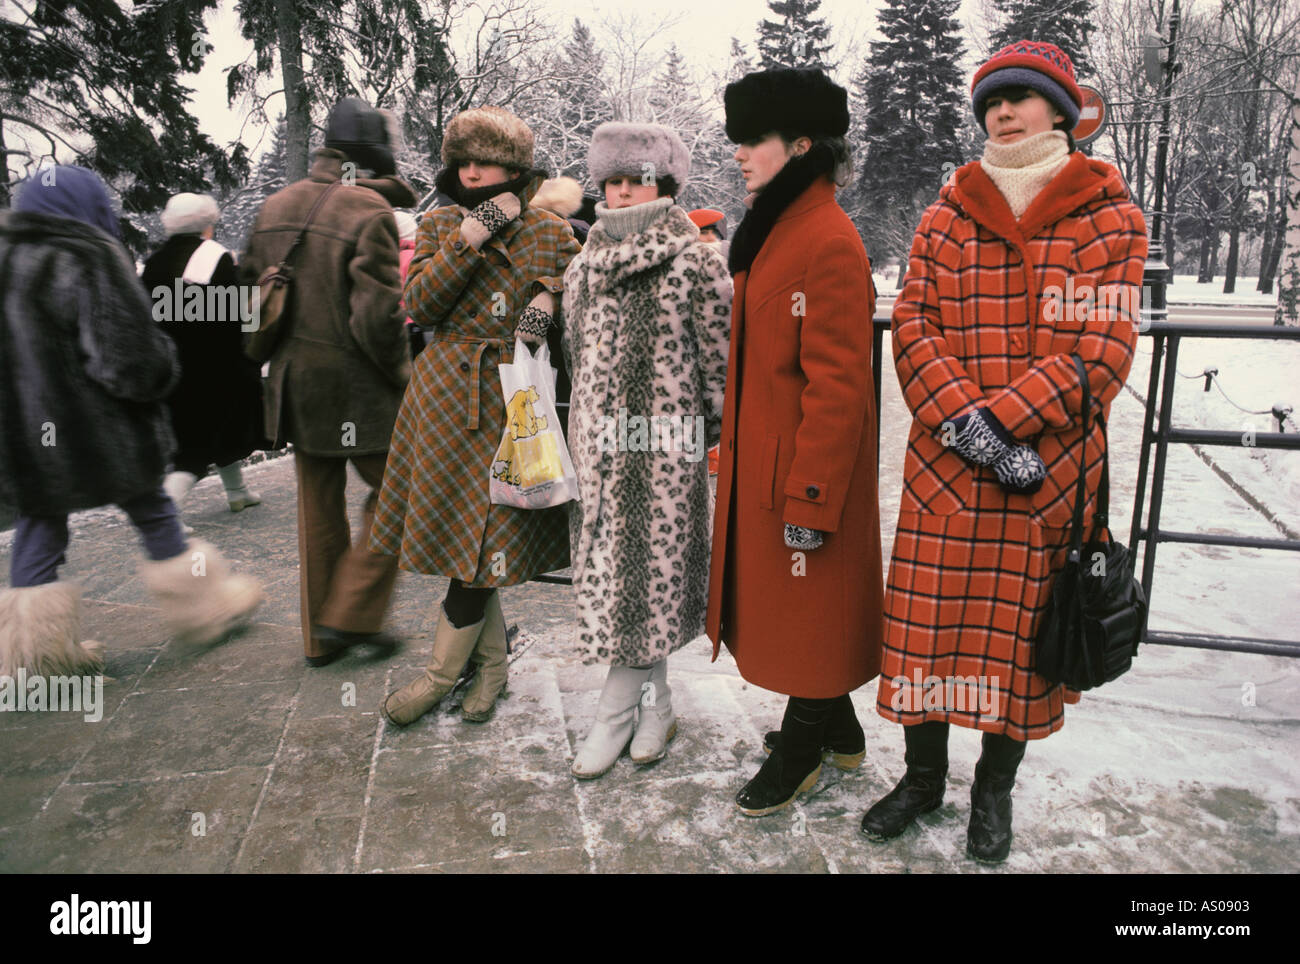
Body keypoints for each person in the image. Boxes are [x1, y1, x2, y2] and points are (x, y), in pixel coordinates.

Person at [865, 40, 1148, 863]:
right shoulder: (948, 209)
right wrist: (970, 426)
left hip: (1049, 475)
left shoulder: (1109, 216)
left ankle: (994, 792)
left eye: (1021, 95)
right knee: (930, 634)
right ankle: (922, 782)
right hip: (950, 467)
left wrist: (1013, 421)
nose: (1002, 110)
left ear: (1061, 109)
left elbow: (1102, 350)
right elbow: (914, 326)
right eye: (991, 98)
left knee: (1017, 649)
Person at [705, 68, 886, 816]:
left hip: (807, 481)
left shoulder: (826, 241)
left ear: (802, 144)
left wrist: (810, 497)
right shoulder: (781, 227)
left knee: (812, 619)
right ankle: (838, 733)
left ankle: (805, 746)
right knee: (799, 619)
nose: (740, 153)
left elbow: (840, 390)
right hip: (770, 471)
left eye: (754, 140)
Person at [0, 167, 262, 676]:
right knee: (152, 509)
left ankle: (34, 657)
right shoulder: (89, 254)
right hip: (100, 431)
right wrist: (161, 369)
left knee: (39, 523)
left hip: (23, 436)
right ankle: (206, 609)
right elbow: (127, 359)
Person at [371, 105, 580, 726]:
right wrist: (473, 235)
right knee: (466, 538)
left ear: (513, 168)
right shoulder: (439, 225)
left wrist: (551, 299)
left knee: (483, 535)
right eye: (462, 162)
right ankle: (488, 668)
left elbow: (575, 300)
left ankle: (442, 677)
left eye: (485, 163)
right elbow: (423, 304)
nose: (472, 174)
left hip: (513, 396)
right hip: (442, 397)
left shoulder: (548, 229)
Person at [561, 123, 732, 778]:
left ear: (664, 184)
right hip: (596, 454)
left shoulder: (694, 259)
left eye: (638, 178)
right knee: (622, 591)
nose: (625, 190)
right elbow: (577, 359)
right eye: (614, 179)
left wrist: (699, 438)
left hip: (661, 458)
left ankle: (611, 717)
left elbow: (718, 364)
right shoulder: (583, 267)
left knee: (642, 589)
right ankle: (656, 709)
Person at [239, 96, 416, 668]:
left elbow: (247, 304)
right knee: (398, 497)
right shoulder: (368, 211)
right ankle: (353, 614)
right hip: (357, 390)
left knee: (317, 507)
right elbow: (376, 318)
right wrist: (404, 377)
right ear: (374, 157)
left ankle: (320, 640)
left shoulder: (273, 206)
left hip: (295, 386)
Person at [142, 193, 265, 521]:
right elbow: (238, 317)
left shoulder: (154, 262)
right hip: (217, 367)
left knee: (209, 433)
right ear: (207, 224)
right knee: (196, 449)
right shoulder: (216, 257)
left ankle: (237, 492)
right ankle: (165, 517)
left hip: (171, 366)